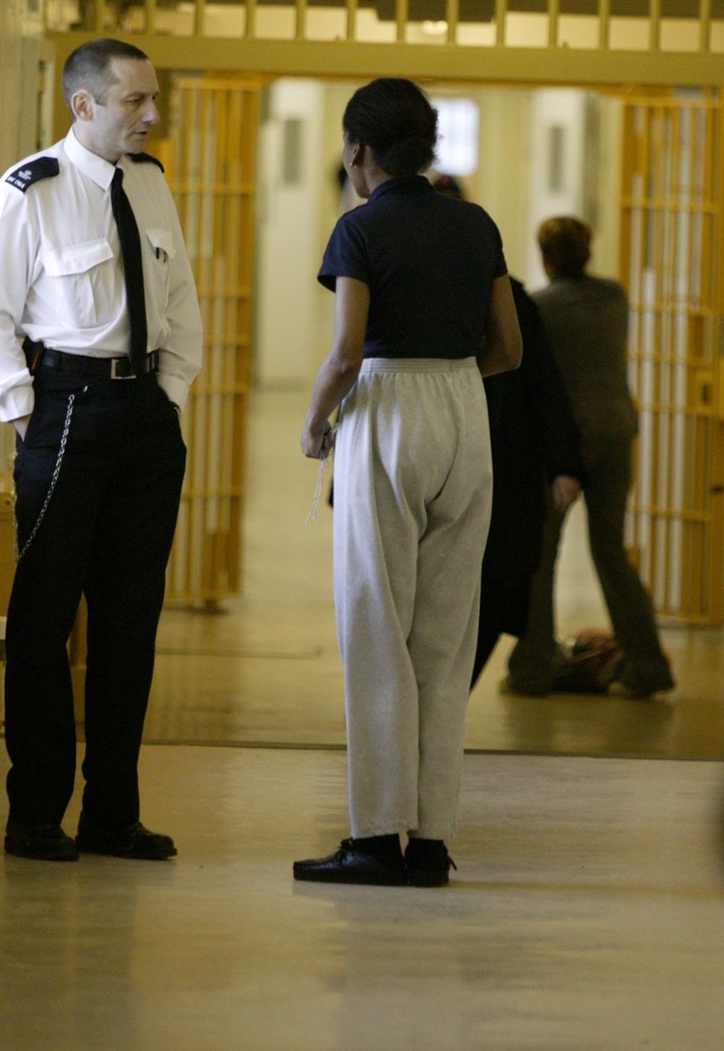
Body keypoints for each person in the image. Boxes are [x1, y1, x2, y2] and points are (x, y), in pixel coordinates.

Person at [0, 37, 202, 864]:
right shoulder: (30, 190)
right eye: (135, 100)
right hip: (66, 409)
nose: (152, 114)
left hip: (145, 416)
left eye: (152, 98)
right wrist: (26, 415)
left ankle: (113, 813)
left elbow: (180, 298)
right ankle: (35, 813)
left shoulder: (150, 183)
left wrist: (169, 394)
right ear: (84, 105)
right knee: (43, 620)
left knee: (129, 622)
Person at [294, 78, 522, 888]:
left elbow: (346, 352)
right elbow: (509, 349)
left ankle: (373, 836)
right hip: (465, 408)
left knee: (375, 622)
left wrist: (316, 421)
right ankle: (429, 840)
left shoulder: (359, 229)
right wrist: (450, 381)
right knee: (445, 636)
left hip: (387, 408)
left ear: (359, 150)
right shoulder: (476, 223)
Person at [509, 217, 676, 698]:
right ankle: (648, 666)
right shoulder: (615, 297)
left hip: (564, 443)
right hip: (617, 433)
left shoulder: (539, 308)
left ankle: (533, 668)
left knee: (540, 556)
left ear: (546, 258)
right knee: (611, 552)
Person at [472, 275, 584, 687]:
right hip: (495, 463)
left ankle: (440, 701)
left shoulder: (512, 301)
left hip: (498, 462)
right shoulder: (510, 298)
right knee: (494, 582)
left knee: (497, 584)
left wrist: (563, 464)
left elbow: (542, 382)